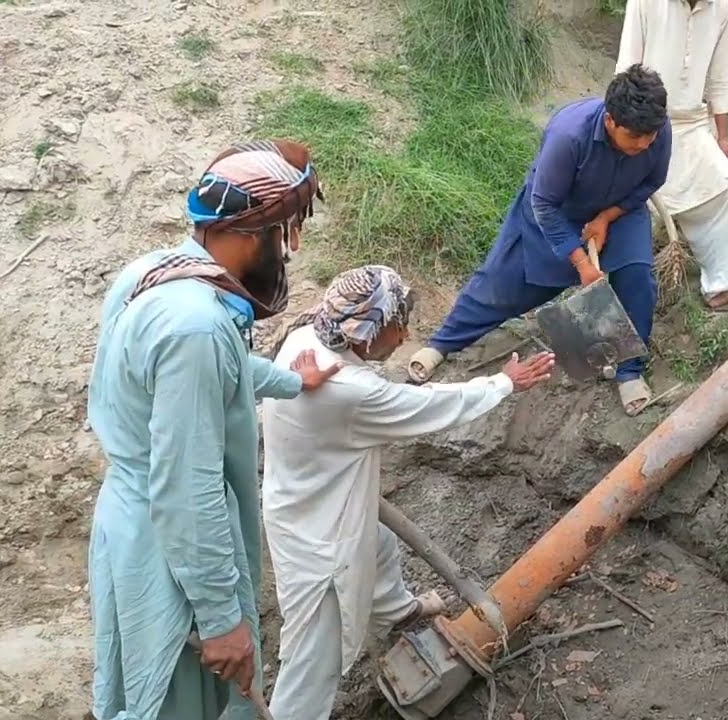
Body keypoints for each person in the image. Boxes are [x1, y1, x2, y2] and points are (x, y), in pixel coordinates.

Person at [85, 139, 340, 720]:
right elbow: (187, 486)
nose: (289, 251)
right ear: (252, 235)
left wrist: (292, 381)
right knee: (177, 703)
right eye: (285, 233)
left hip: (134, 529)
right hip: (172, 557)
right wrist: (222, 619)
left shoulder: (154, 273)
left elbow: (214, 372)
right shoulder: (196, 328)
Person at [260, 265, 555, 720]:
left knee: (378, 543)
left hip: (304, 499)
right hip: (320, 546)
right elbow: (430, 406)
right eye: (397, 325)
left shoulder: (306, 339)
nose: (404, 335)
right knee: (312, 663)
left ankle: (397, 611)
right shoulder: (350, 392)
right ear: (367, 329)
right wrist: (504, 383)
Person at [407, 64, 672, 416]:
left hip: (620, 209)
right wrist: (581, 262)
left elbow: (652, 181)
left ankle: (629, 371)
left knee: (636, 276)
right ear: (611, 121)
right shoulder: (569, 135)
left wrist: (607, 217)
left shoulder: (656, 130)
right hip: (557, 211)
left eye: (650, 137)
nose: (644, 144)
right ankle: (442, 343)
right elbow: (544, 204)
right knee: (502, 283)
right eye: (635, 137)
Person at [616, 0, 728, 312]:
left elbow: (720, 78)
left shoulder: (721, 7)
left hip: (693, 124)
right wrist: (628, 132)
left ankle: (721, 289)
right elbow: (625, 69)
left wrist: (722, 137)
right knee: (635, 205)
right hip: (644, 123)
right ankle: (627, 287)